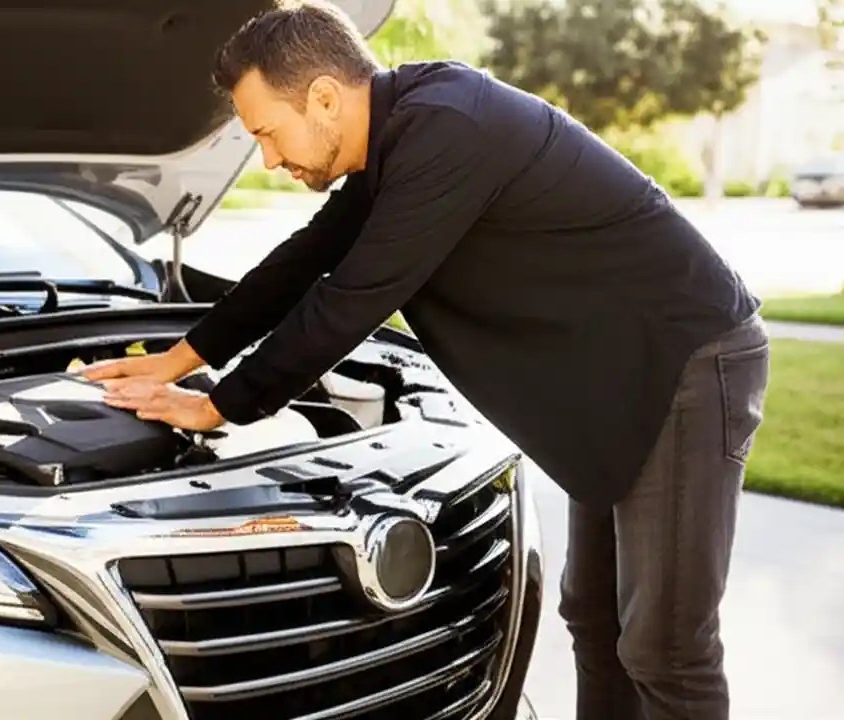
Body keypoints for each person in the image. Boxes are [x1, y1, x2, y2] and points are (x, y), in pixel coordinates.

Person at [80, 2, 769, 719]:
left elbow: (350, 300)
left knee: (664, 647)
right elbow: (303, 263)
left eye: (267, 133)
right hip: (615, 378)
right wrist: (179, 359)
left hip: (686, 362)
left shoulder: (448, 132)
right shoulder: (401, 134)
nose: (270, 158)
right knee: (594, 619)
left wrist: (220, 404)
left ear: (323, 98)